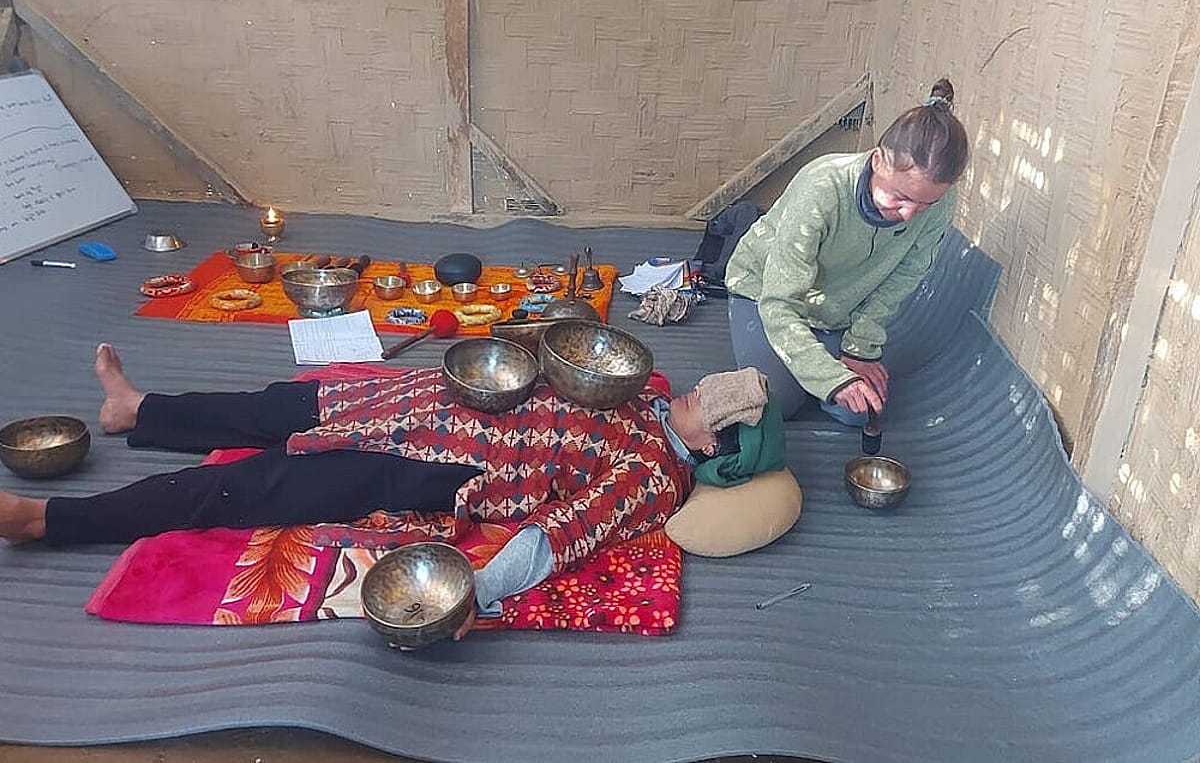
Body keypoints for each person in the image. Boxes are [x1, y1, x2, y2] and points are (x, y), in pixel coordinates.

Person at [0, 344, 784, 639]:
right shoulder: (645, 391)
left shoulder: (655, 475)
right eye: (708, 389)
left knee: (261, 485)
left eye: (713, 406)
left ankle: (47, 519)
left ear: (717, 445)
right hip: (439, 400)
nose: (698, 395)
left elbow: (566, 532)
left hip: (447, 466)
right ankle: (138, 409)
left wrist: (476, 590)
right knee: (284, 404)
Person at [724, 77, 970, 424]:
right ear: (878, 161)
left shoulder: (939, 204)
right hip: (763, 291)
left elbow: (903, 278)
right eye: (900, 198)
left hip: (836, 308)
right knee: (775, 404)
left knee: (860, 412)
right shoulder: (822, 187)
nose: (911, 213)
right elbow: (779, 301)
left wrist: (860, 348)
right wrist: (830, 377)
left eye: (926, 203)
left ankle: (818, 361)